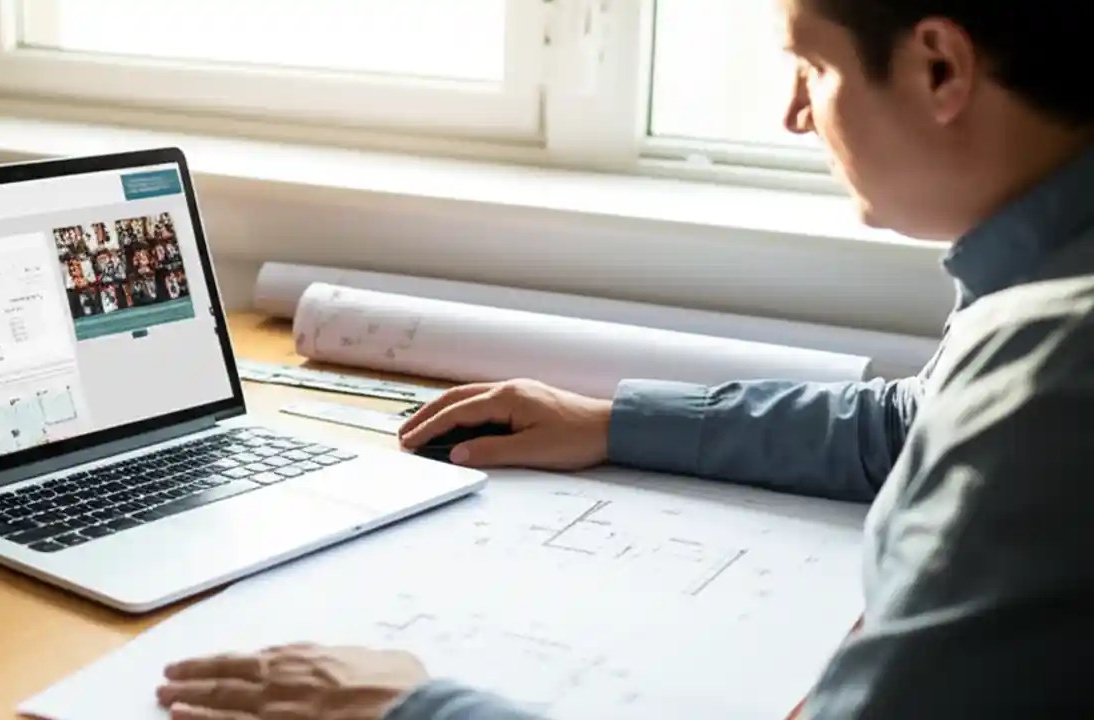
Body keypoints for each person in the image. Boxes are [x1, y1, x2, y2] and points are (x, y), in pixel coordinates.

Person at [154, 0, 1094, 717]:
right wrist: (612, 422)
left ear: (939, 68)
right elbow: (910, 422)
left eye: (813, 65)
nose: (794, 116)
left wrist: (410, 706)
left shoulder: (1056, 366)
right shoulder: (1040, 261)